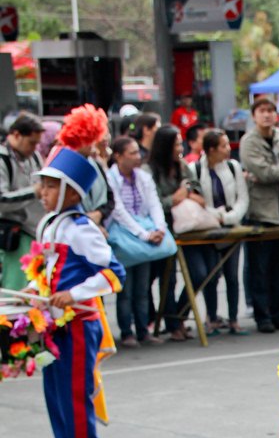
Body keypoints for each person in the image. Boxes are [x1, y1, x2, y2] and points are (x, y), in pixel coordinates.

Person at [29, 147, 124, 438]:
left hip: (80, 325)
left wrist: (74, 294)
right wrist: (33, 290)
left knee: (73, 391)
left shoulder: (81, 228)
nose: (43, 193)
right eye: (43, 185)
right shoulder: (48, 226)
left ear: (71, 191)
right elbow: (44, 270)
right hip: (52, 324)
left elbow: (114, 274)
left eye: (51, 186)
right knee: (55, 392)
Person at [239, 95, 279, 333]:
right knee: (260, 268)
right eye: (262, 110)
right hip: (261, 213)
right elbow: (262, 172)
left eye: (270, 110)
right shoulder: (249, 141)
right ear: (254, 115)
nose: (266, 114)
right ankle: (262, 316)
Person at [146, 123, 206, 340]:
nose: (180, 147)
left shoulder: (183, 166)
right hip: (163, 230)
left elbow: (198, 192)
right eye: (176, 143)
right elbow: (151, 204)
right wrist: (174, 199)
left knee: (199, 274)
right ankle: (172, 324)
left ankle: (180, 316)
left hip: (188, 229)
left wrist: (186, 193)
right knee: (166, 279)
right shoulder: (150, 170)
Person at [107, 135, 168, 346]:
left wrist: (159, 228)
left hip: (146, 236)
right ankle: (126, 332)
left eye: (137, 152)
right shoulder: (111, 178)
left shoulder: (143, 177)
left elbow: (154, 204)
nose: (137, 157)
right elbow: (118, 211)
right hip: (125, 237)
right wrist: (143, 233)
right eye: (131, 153)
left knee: (142, 287)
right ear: (118, 156)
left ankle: (143, 330)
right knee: (126, 288)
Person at [193, 128, 250, 334]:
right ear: (211, 149)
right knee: (211, 275)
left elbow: (242, 198)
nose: (227, 150)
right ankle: (212, 317)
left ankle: (234, 318)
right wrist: (215, 216)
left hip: (232, 227)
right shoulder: (196, 169)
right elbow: (197, 199)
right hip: (208, 228)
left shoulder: (233, 167)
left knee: (232, 276)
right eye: (223, 146)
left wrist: (230, 217)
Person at [0, 112, 44, 290]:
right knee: (16, 293)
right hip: (15, 236)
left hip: (35, 234)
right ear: (16, 135)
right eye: (31, 143)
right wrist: (33, 192)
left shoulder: (33, 157)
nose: (34, 148)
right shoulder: (3, 159)